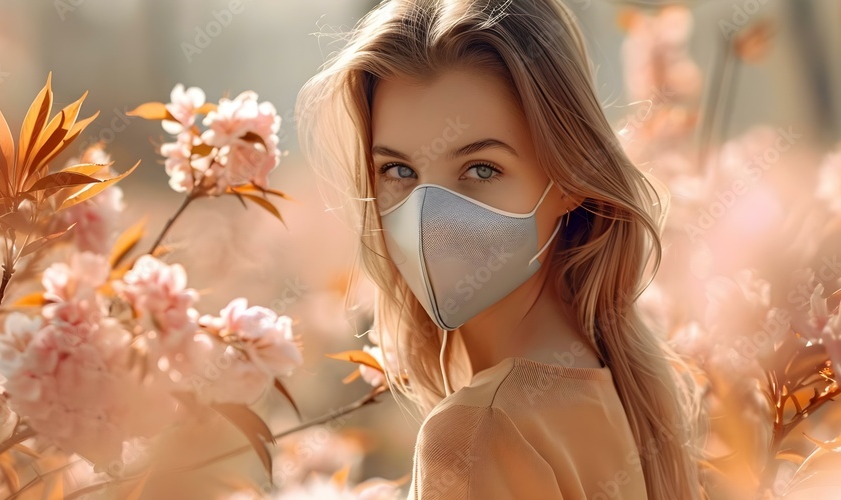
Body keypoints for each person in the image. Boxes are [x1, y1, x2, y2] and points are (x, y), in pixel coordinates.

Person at [296, 0, 707, 498]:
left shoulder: (475, 431)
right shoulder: (616, 386)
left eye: (481, 169)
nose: (428, 217)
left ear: (570, 178)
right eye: (399, 171)